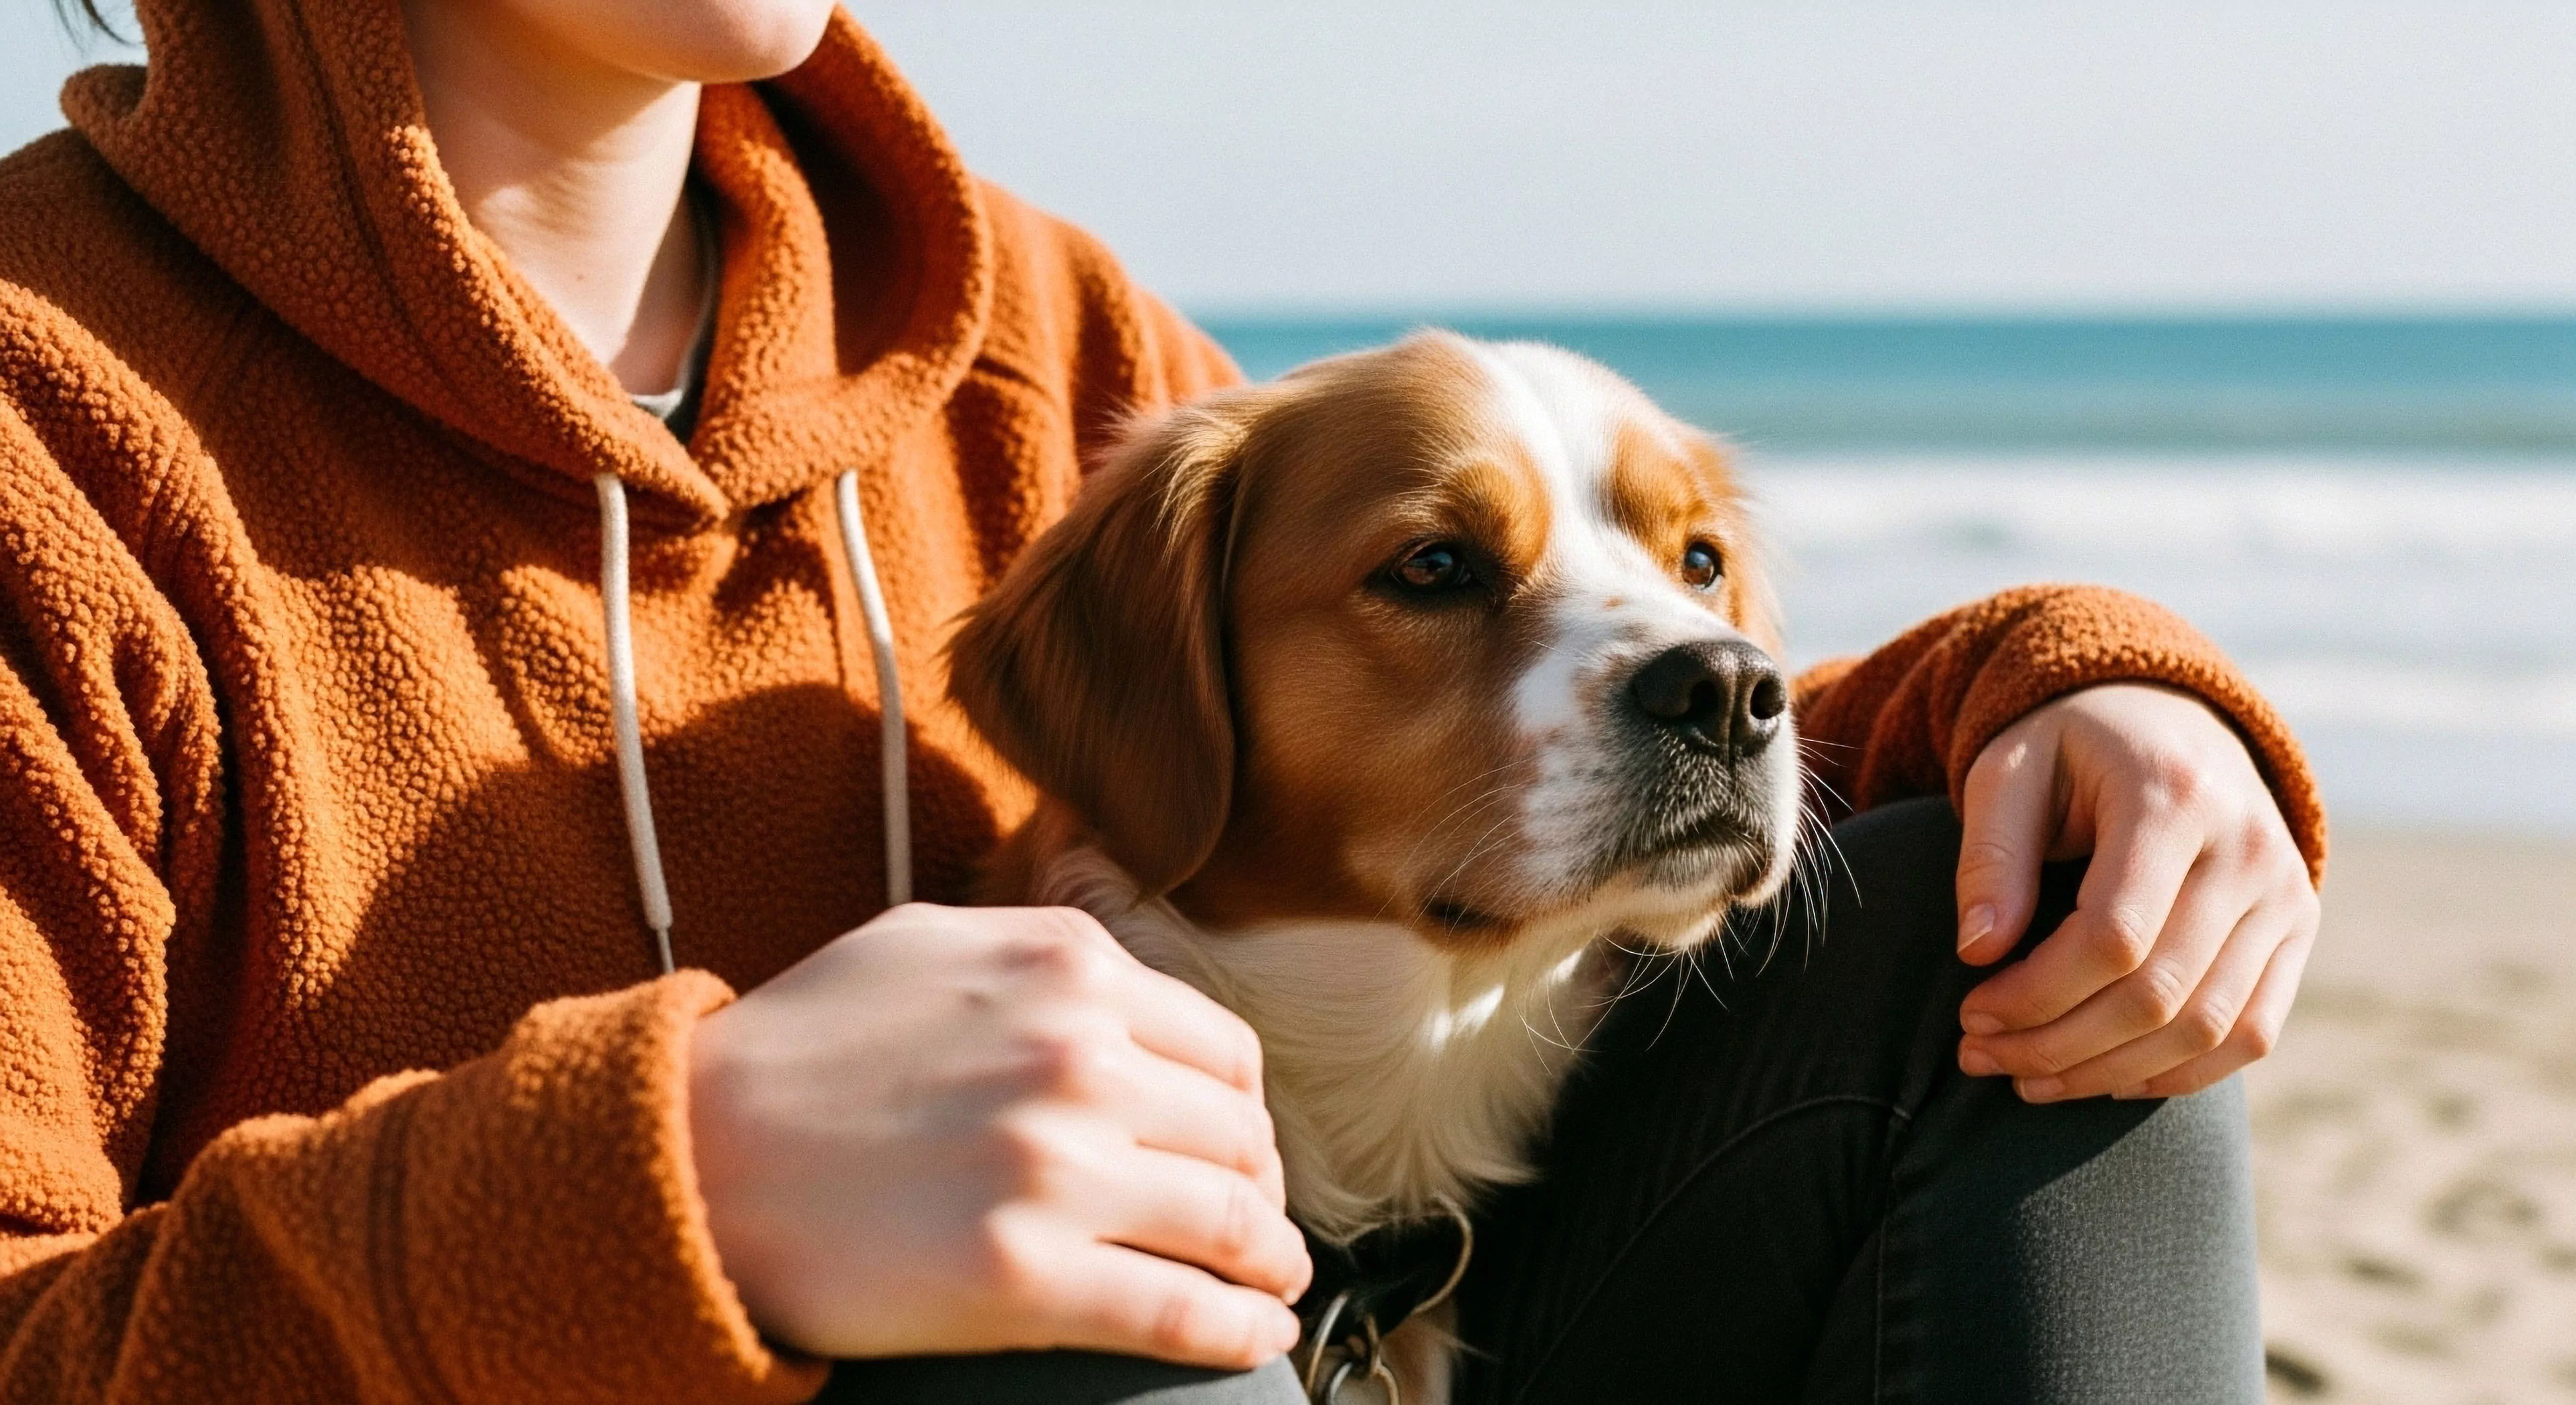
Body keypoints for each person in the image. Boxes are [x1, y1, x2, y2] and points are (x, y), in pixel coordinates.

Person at [0, 0, 2322, 1400]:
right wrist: (663, 1185)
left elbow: (1522, 700)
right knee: (1081, 1231)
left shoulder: (1020, 337)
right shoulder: (49, 428)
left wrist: (2066, 703)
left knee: (1985, 940)